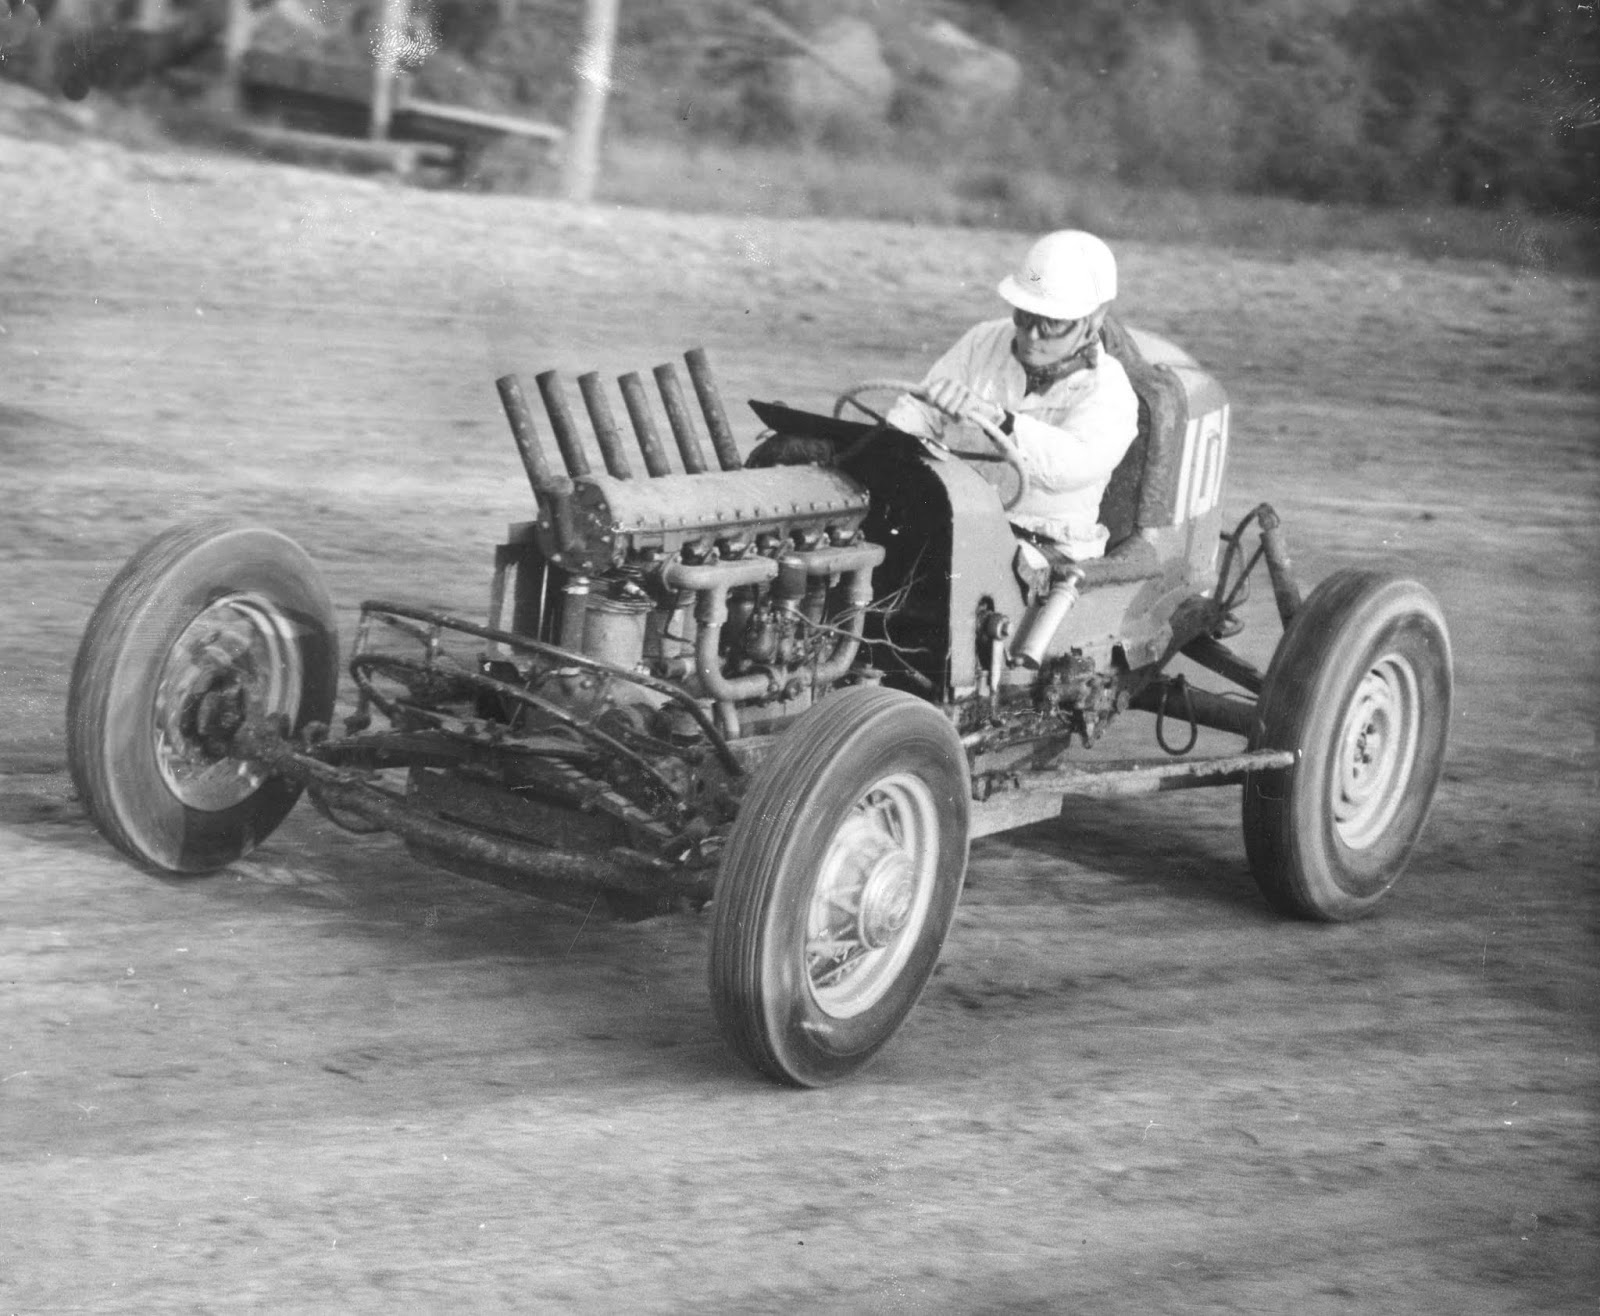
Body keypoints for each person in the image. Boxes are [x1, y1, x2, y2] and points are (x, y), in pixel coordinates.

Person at [885, 230, 1139, 561]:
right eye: (1025, 315)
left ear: (1093, 320)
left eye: (1051, 324)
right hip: (960, 521)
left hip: (1048, 543)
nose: (1032, 334)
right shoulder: (982, 341)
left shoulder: (1110, 389)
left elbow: (1071, 465)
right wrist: (893, 440)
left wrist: (997, 419)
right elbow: (916, 414)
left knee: (968, 572)